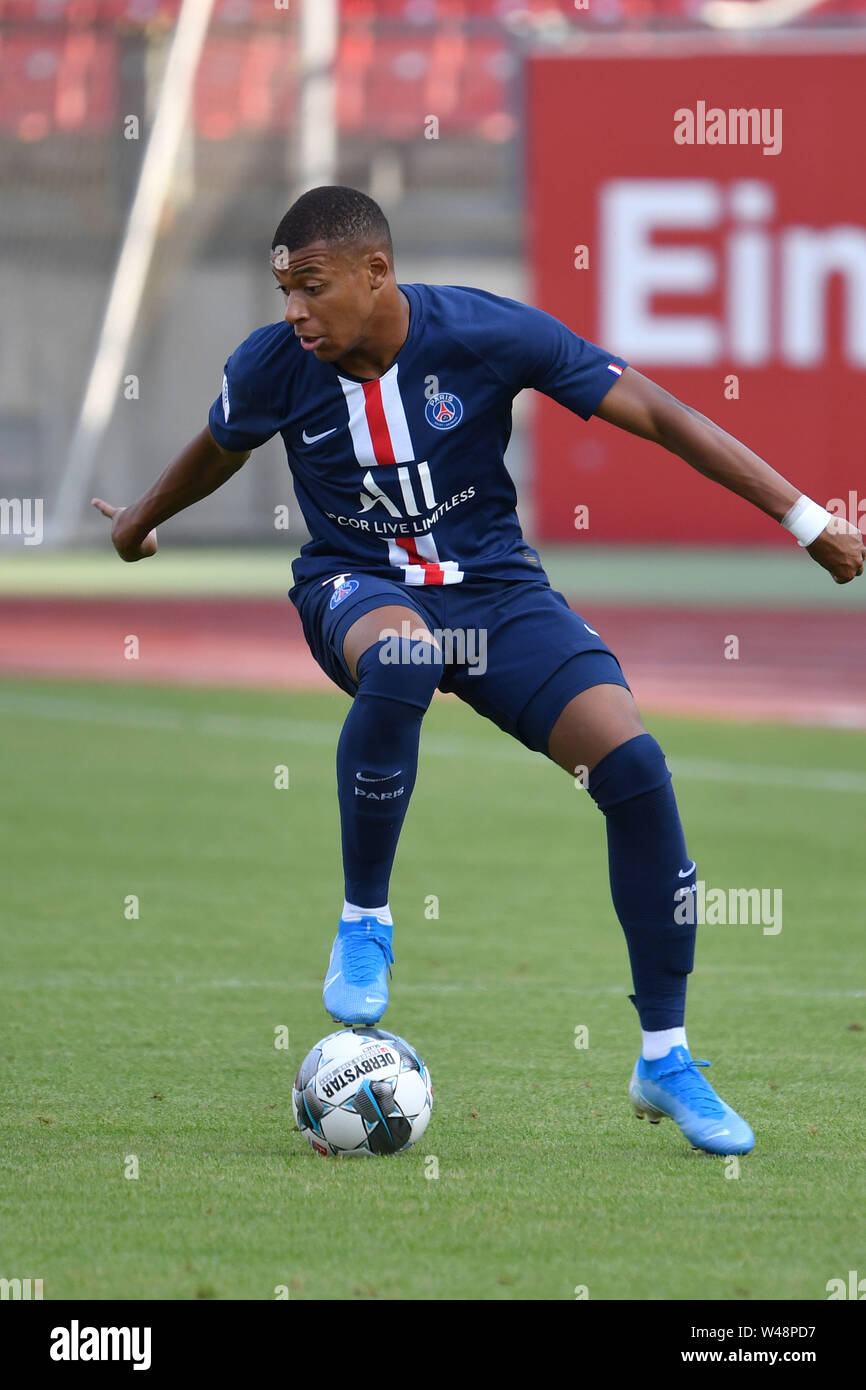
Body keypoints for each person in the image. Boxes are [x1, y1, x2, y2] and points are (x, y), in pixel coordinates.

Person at [94, 185, 864, 1156]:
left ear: (376, 273)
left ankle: (663, 1059)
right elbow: (220, 445)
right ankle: (365, 919)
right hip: (354, 584)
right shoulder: (273, 364)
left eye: (312, 287)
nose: (293, 309)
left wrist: (805, 520)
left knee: (633, 770)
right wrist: (136, 521)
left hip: (496, 598)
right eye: (283, 288)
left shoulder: (485, 334)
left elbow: (659, 416)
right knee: (405, 659)